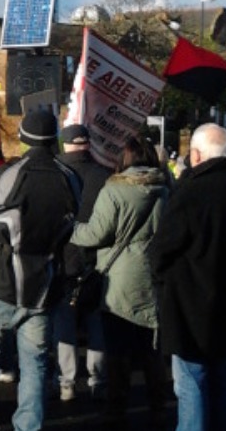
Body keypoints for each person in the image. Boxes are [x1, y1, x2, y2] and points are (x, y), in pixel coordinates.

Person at [0, 110, 81, 431]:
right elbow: (75, 223)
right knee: (35, 364)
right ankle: (29, 426)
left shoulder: (1, 177)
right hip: (43, 285)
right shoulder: (70, 178)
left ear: (23, 137)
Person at [150, 123, 226, 431]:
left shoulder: (190, 192)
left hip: (190, 308)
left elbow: (160, 250)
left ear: (195, 155)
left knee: (192, 383)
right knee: (222, 377)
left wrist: (163, 280)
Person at [70, 135, 169, 425]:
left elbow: (96, 234)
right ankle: (159, 405)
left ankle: (117, 407)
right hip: (153, 272)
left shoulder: (114, 190)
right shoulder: (165, 188)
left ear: (123, 160)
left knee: (118, 347)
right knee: (152, 345)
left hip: (120, 277)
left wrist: (71, 228)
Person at [54, 124, 112, 402]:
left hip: (63, 258)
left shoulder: (55, 174)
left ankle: (66, 381)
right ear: (88, 144)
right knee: (95, 320)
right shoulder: (105, 176)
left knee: (63, 321)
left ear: (65, 145)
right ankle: (98, 379)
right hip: (97, 259)